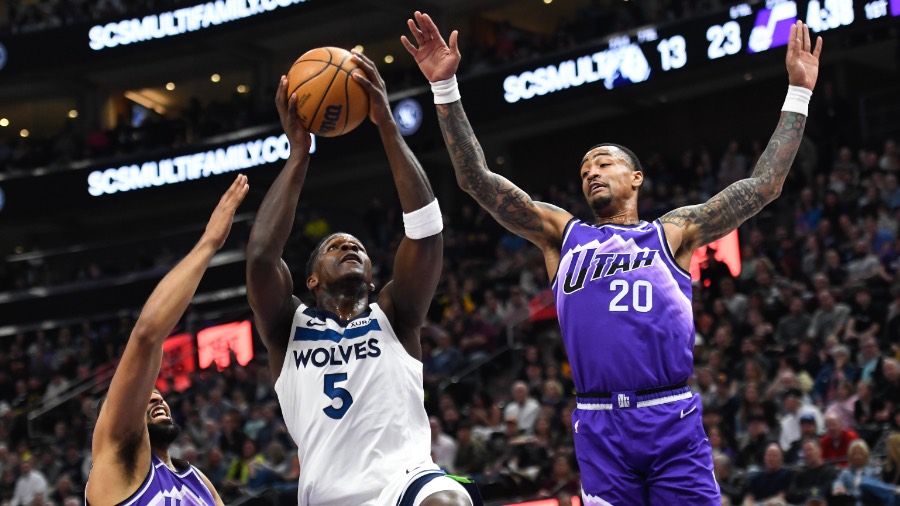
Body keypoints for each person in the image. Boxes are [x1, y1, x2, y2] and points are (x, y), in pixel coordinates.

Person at [403, 10, 822, 505]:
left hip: (671, 417)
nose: (591, 173)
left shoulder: (674, 233)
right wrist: (445, 88)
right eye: (584, 170)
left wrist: (799, 93)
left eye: (604, 163)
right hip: (599, 424)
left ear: (636, 177)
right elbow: (476, 181)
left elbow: (764, 186)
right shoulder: (562, 235)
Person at [246, 51, 472, 506]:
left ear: (372, 278)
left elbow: (426, 233)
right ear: (309, 280)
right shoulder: (288, 328)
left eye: (359, 248)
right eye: (335, 247)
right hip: (328, 495)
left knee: (446, 501)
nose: (350, 248)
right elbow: (259, 258)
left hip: (406, 482)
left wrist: (386, 124)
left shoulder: (394, 313)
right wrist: (298, 156)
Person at [85, 174, 248, 505]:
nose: (155, 398)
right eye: (145, 396)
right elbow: (147, 335)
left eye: (158, 393)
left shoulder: (198, 481)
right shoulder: (117, 462)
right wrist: (210, 242)